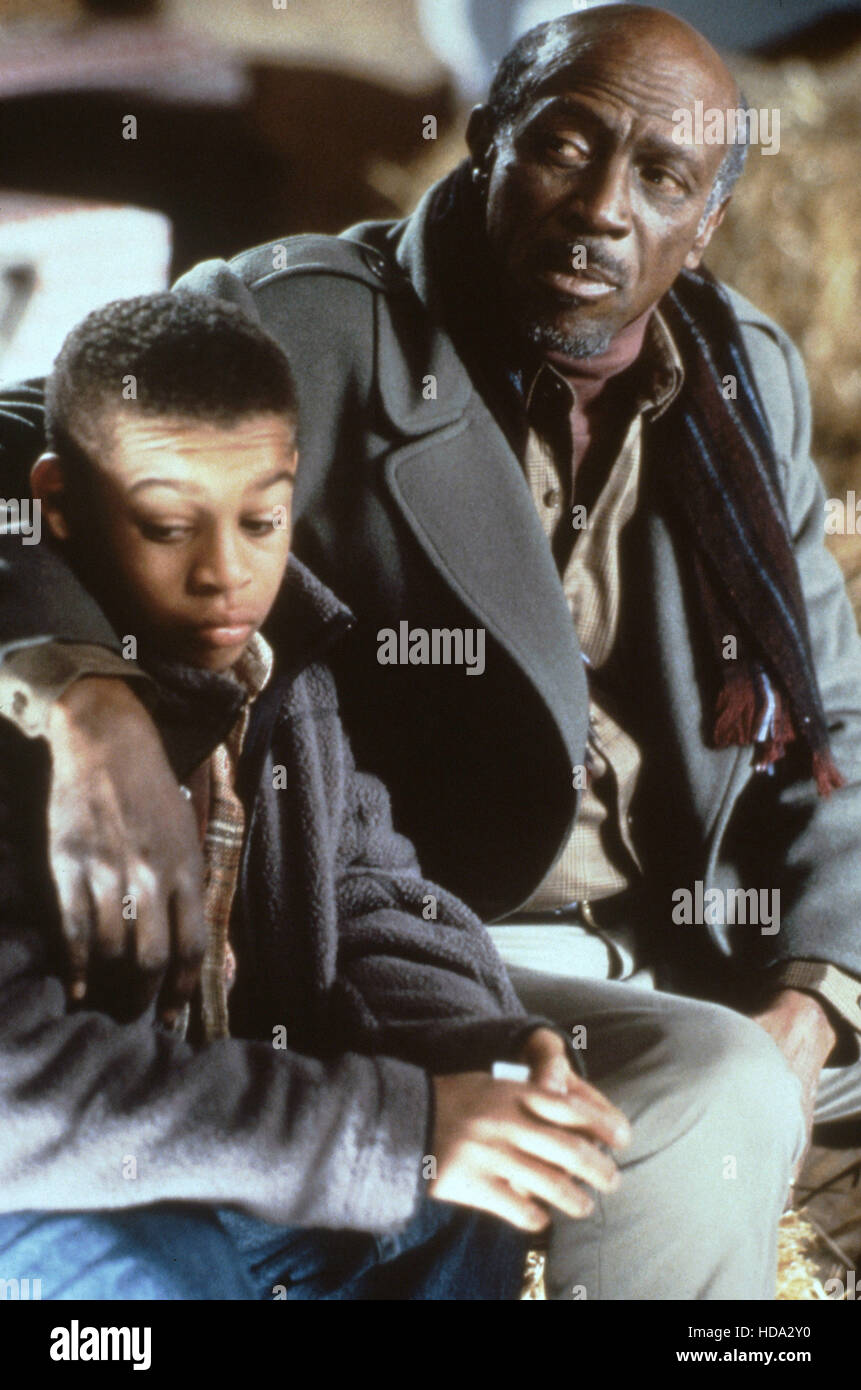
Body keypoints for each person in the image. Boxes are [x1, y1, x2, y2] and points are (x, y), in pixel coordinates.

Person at [1, 6, 858, 1298]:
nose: (602, 209)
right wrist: (83, 693)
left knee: (745, 1059)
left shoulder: (747, 376)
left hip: (680, 934)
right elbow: (31, 446)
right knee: (707, 1091)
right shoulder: (307, 321)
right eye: (564, 148)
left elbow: (834, 717)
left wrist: (821, 993)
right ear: (486, 141)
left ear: (709, 222)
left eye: (662, 178)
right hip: (449, 927)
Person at [0, 291, 632, 1301]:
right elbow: (19, 1099)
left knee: (466, 1201)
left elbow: (370, 897)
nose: (224, 573)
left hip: (212, 1151)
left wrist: (489, 1045)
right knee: (160, 1272)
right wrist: (396, 1129)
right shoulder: (37, 721)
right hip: (46, 1180)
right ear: (58, 501)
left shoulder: (282, 677)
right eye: (166, 525)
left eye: (261, 520)